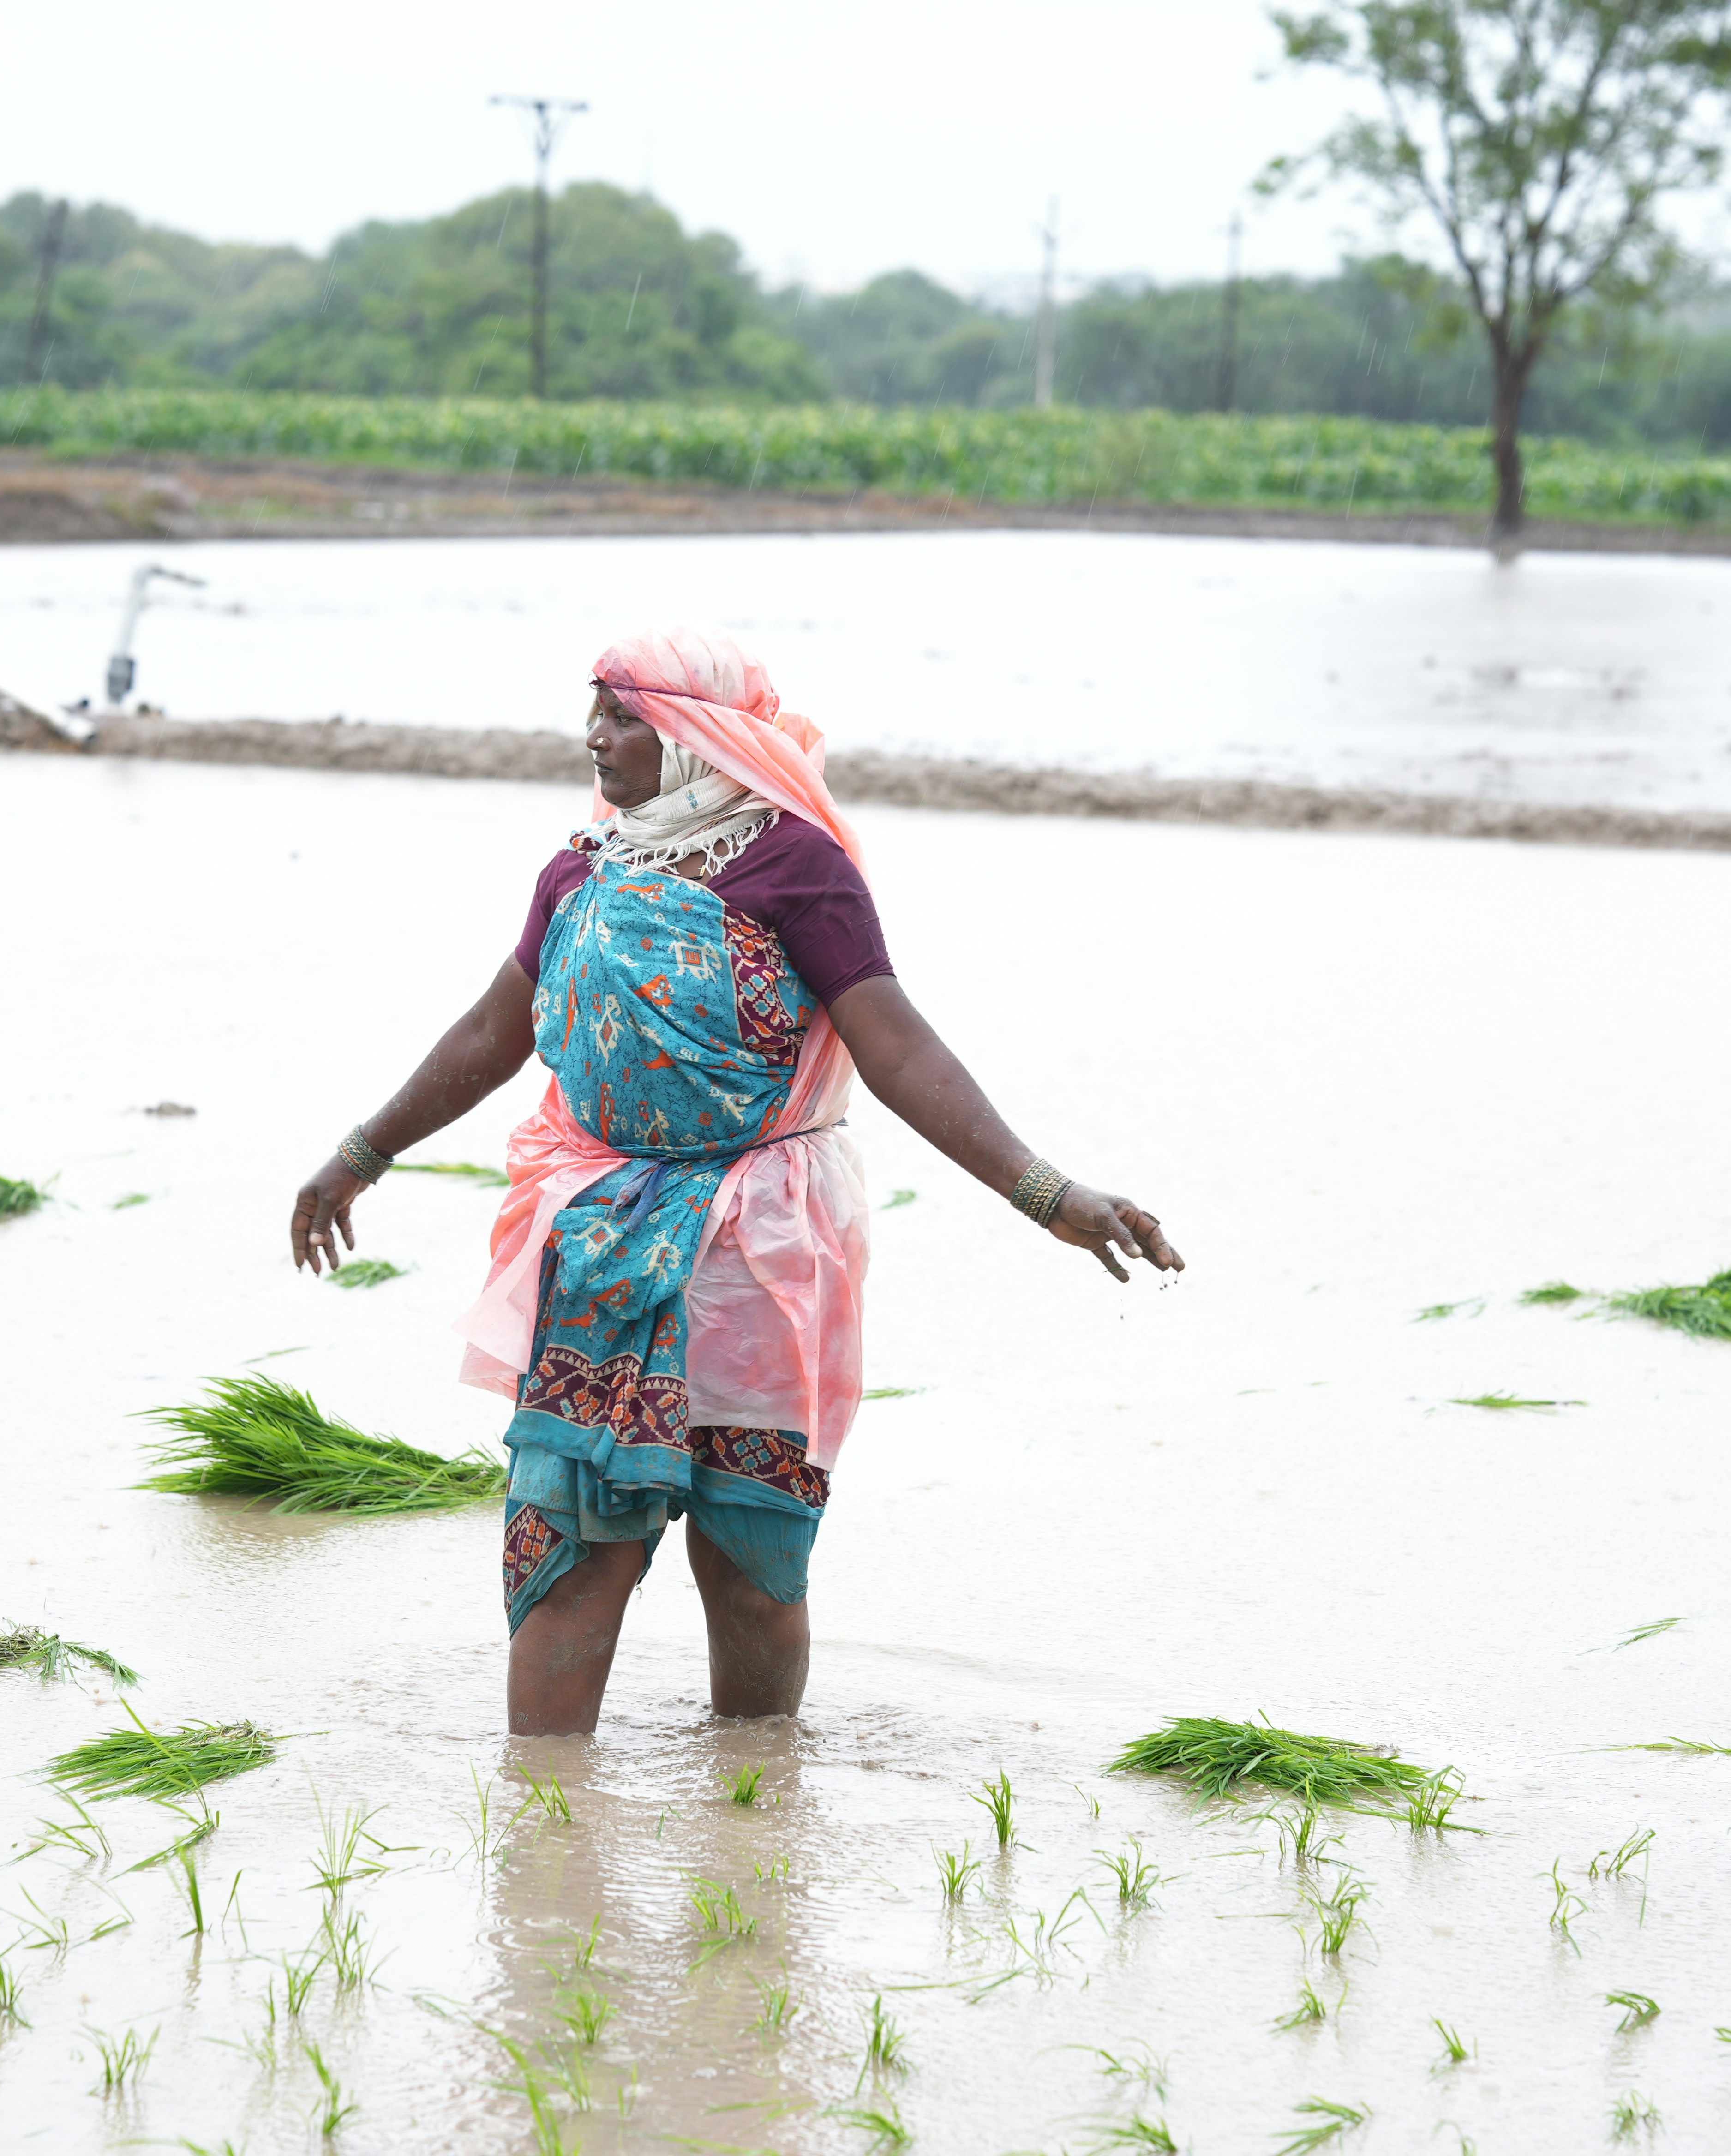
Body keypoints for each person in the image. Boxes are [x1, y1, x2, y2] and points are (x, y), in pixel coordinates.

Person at [288, 626, 1184, 1736]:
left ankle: (754, 1805)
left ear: (695, 731)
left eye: (621, 715)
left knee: (752, 1562)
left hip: (760, 1245)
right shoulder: (583, 867)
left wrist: (1046, 1192)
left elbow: (898, 1048)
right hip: (603, 1247)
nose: (594, 737)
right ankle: (550, 1841)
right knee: (575, 1549)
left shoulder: (796, 866)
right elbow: (493, 1027)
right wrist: (360, 1154)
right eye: (595, 712)